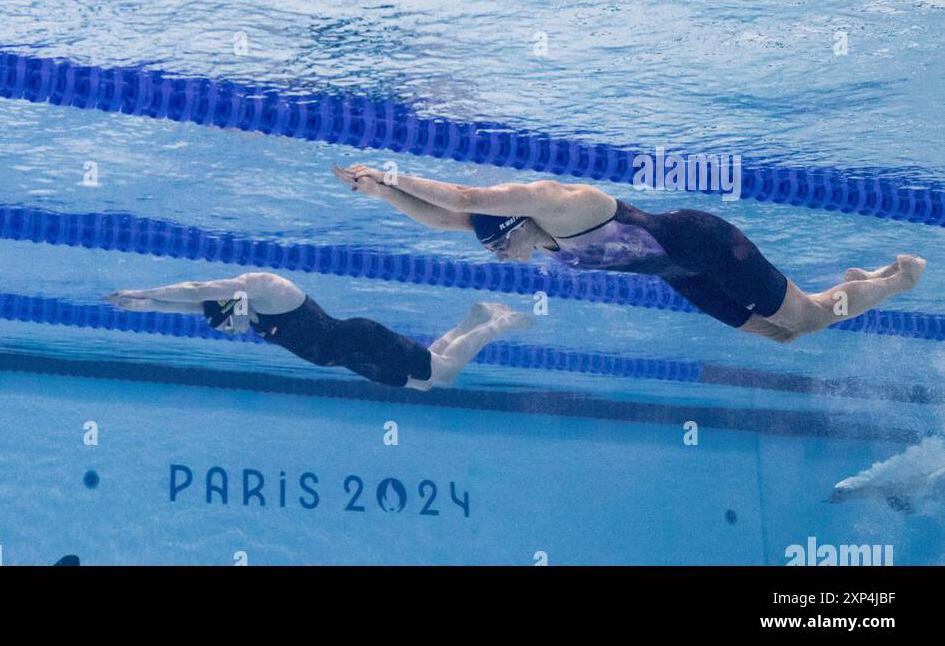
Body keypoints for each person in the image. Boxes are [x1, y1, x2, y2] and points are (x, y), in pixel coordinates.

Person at [331, 163, 926, 344]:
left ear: (517, 223)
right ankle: (863, 279)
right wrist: (382, 194)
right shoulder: (526, 231)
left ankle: (893, 280)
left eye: (499, 244)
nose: (500, 256)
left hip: (701, 242)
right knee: (781, 335)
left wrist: (393, 171)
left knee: (807, 319)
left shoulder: (562, 205)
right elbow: (444, 219)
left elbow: (462, 195)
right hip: (678, 272)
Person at [105, 271, 532, 390]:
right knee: (423, 384)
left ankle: (497, 323)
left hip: (360, 339)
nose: (236, 332)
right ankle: (472, 318)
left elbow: (198, 289)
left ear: (231, 303)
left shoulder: (268, 290)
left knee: (443, 374)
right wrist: (142, 304)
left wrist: (143, 288)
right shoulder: (244, 311)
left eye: (231, 325)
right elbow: (192, 305)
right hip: (345, 357)